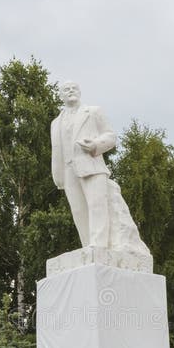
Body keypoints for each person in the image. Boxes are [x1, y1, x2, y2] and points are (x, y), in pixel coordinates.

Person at [51, 81, 116, 248]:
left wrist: (95, 145)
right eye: (66, 89)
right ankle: (88, 246)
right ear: (61, 95)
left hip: (91, 165)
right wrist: (58, 176)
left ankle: (99, 245)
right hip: (68, 170)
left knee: (96, 206)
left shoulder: (93, 112)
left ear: (80, 92)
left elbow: (110, 136)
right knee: (79, 211)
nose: (71, 91)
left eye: (74, 88)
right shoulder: (55, 123)